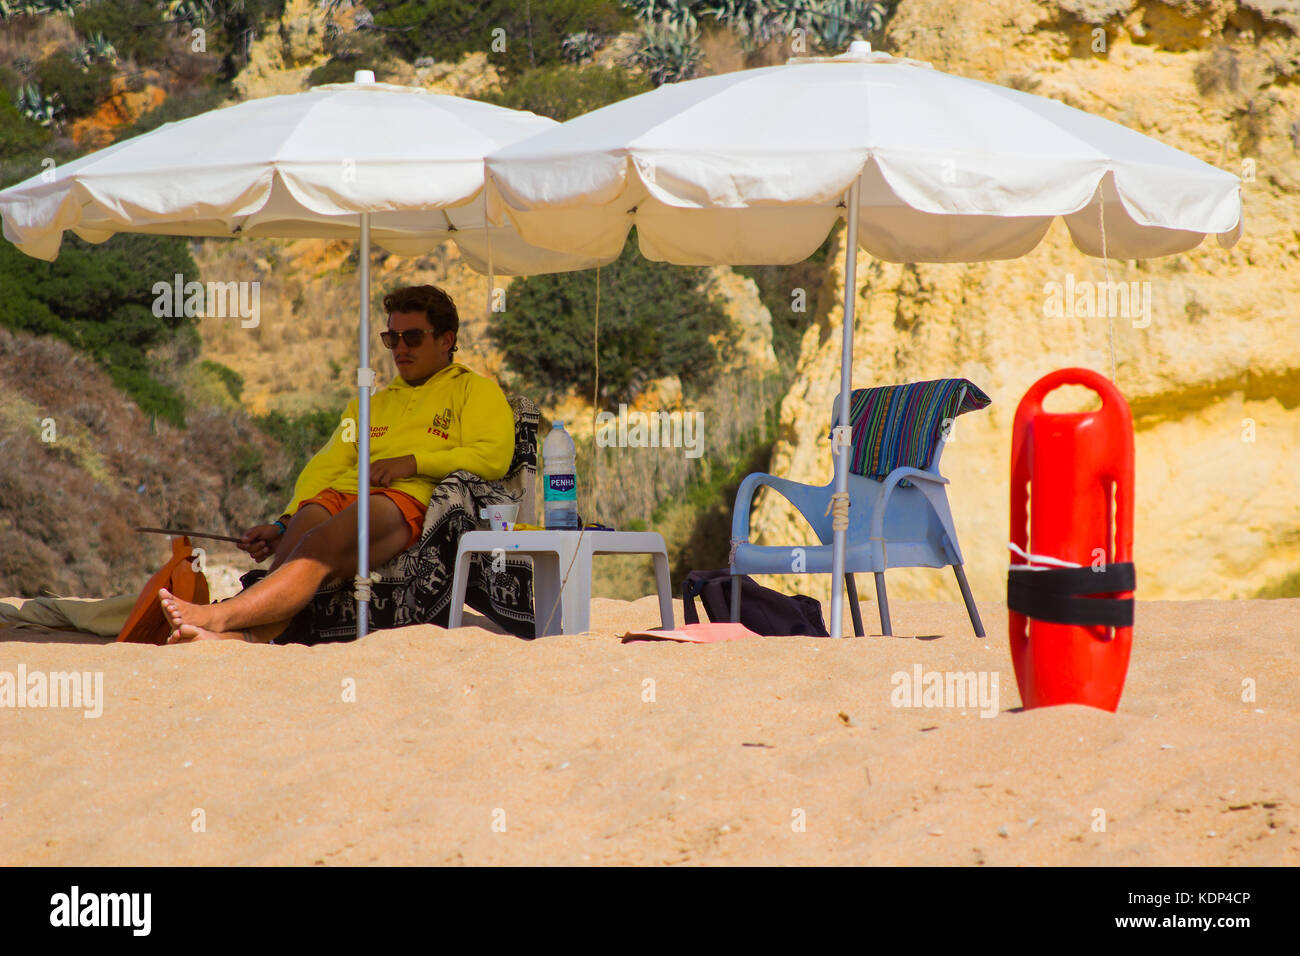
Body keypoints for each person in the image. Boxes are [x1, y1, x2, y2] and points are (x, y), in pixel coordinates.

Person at [159, 285, 515, 643]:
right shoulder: (370, 403)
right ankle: (238, 639)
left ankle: (219, 616)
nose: (401, 348)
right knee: (298, 536)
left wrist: (412, 463)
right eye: (392, 338)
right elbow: (327, 466)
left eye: (413, 337)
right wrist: (284, 522)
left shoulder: (475, 390)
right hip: (345, 492)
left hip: (407, 498)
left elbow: (492, 456)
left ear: (445, 339)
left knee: (319, 545)